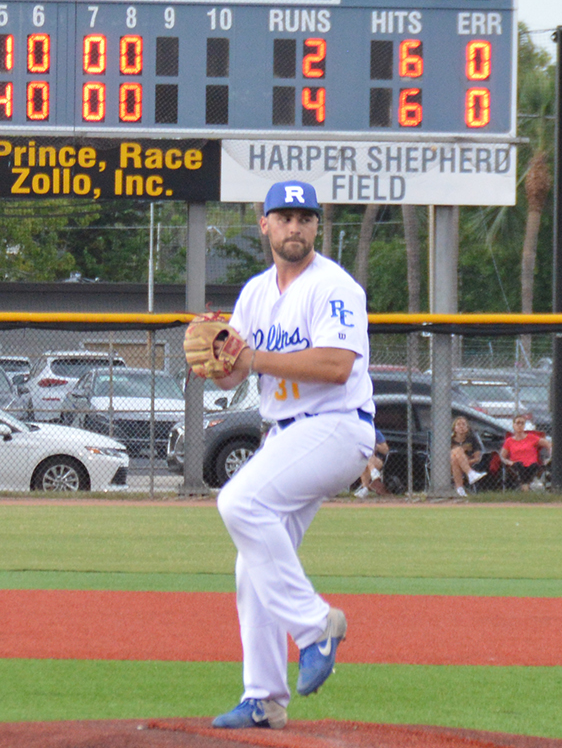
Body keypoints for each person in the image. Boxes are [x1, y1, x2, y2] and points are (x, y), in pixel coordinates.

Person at [201, 181, 375, 730]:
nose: (294, 226)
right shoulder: (255, 293)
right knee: (252, 563)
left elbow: (335, 366)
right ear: (265, 225)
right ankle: (264, 699)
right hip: (287, 433)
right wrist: (217, 363)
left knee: (238, 503)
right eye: (285, 216)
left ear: (317, 227)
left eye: (305, 217)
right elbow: (236, 371)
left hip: (338, 426)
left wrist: (253, 359)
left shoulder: (335, 288)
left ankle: (314, 625)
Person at [500, 411, 550, 490]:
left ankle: (525, 487)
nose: (520, 425)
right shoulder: (509, 441)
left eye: (522, 423)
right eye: (517, 423)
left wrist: (549, 456)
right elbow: (502, 456)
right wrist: (509, 462)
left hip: (532, 465)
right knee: (520, 466)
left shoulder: (531, 438)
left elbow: (547, 443)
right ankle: (527, 488)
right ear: (513, 425)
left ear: (524, 425)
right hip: (517, 465)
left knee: (533, 466)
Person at [450, 414, 486, 497]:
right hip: (448, 466)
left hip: (468, 463)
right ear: (454, 428)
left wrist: (464, 463)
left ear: (467, 428)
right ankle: (470, 473)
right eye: (458, 424)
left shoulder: (472, 439)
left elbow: (477, 458)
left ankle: (460, 489)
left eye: (463, 424)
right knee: (457, 450)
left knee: (455, 460)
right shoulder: (450, 440)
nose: (461, 427)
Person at [354, 429, 389, 498]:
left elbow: (385, 450)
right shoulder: (359, 434)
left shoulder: (376, 433)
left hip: (377, 460)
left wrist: (374, 446)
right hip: (364, 462)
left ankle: (365, 489)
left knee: (369, 456)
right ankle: (373, 476)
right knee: (365, 460)